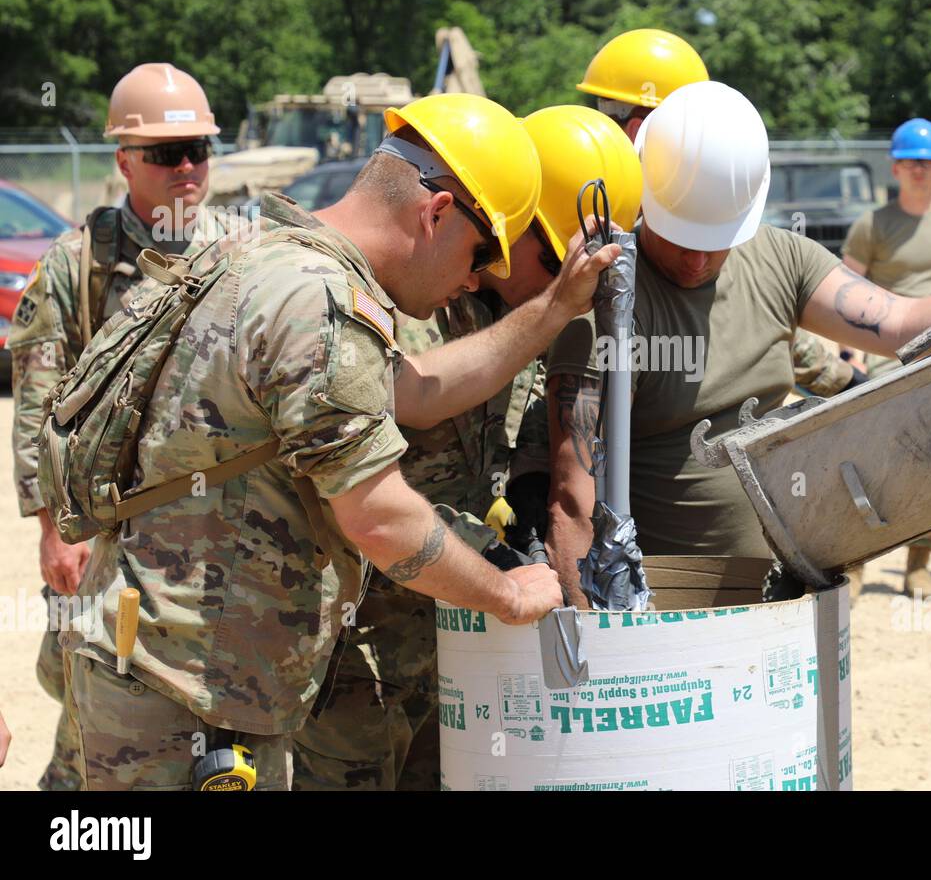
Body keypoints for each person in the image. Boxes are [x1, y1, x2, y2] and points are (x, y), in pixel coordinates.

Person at [58, 93, 619, 790]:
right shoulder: (319, 305)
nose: (475, 278)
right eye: (478, 252)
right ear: (436, 213)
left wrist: (555, 307)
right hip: (186, 695)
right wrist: (503, 592)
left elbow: (415, 393)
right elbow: (380, 519)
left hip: (169, 667)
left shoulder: (269, 253)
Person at [545, 82, 931, 605]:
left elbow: (898, 320)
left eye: (717, 242)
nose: (696, 261)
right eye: (680, 237)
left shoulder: (780, 259)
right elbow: (572, 505)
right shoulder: (607, 304)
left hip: (790, 593)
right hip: (668, 609)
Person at [293, 105, 641, 790]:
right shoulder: (397, 305)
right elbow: (377, 494)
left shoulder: (512, 316)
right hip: (348, 660)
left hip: (445, 648)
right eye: (539, 256)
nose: (539, 277)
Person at [8, 63, 245, 790]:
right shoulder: (76, 266)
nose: (186, 168)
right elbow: (37, 407)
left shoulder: (243, 253)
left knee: (220, 710)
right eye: (165, 155)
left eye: (198, 151)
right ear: (123, 161)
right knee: (95, 700)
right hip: (108, 532)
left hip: (219, 530)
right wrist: (53, 529)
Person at [579, 28, 858, 399]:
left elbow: (759, 324)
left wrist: (850, 382)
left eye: (609, 116)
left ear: (638, 127)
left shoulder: (600, 210)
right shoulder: (604, 222)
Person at [840, 118, 931, 597]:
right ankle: (855, 560)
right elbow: (846, 292)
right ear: (895, 167)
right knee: (865, 456)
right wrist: (850, 357)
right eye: (909, 162)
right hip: (882, 350)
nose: (918, 171)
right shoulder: (873, 225)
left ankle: (919, 562)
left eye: (927, 163)